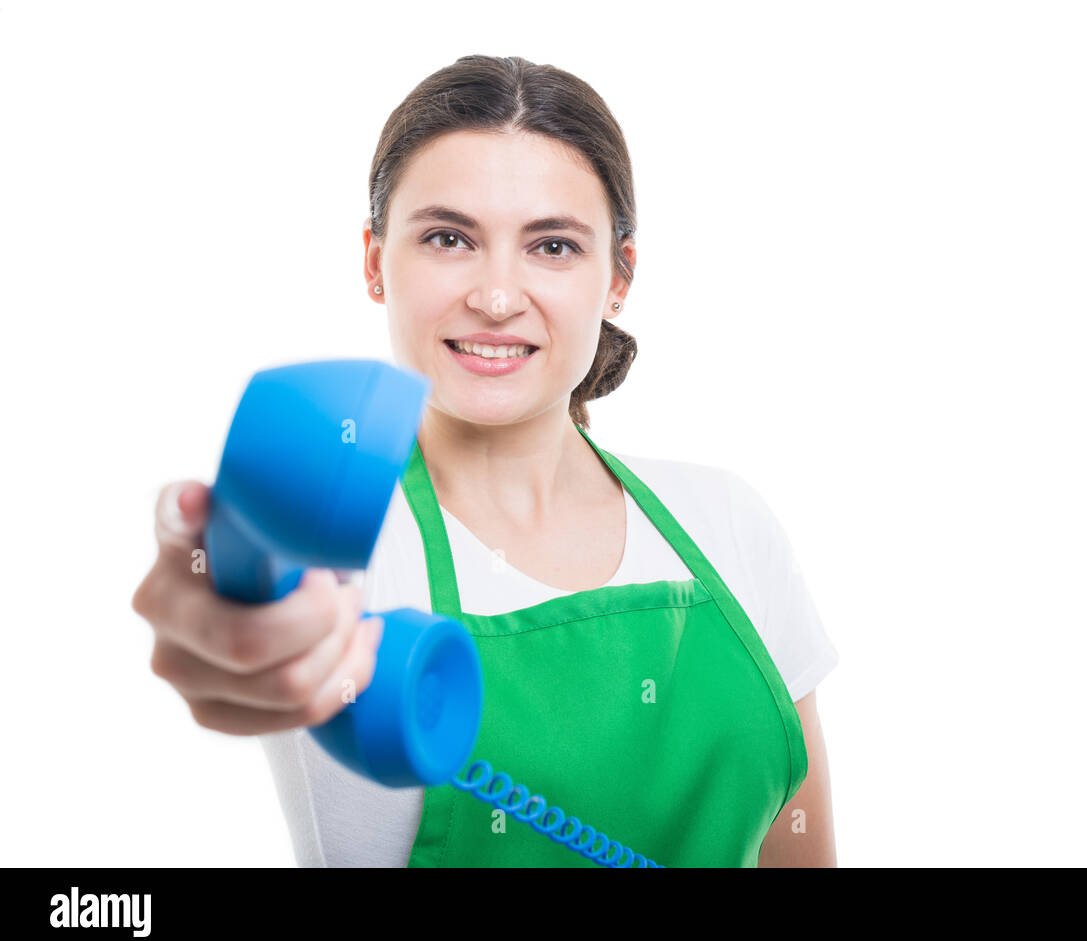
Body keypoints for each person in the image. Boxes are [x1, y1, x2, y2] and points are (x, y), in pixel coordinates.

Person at [131, 54, 838, 867]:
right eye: (448, 237)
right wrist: (210, 588)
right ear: (373, 261)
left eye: (553, 247)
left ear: (618, 277)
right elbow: (222, 606)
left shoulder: (730, 522)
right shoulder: (338, 540)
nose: (498, 297)